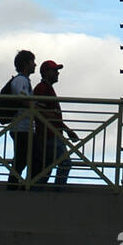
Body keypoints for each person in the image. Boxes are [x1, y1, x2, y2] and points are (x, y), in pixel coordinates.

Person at [32, 60, 78, 189]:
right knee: (64, 163)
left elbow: (46, 113)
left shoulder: (46, 88)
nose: (57, 73)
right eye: (54, 70)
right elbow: (41, 111)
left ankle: (35, 191)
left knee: (47, 167)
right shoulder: (42, 88)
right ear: (46, 72)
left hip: (50, 133)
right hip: (50, 134)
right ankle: (56, 190)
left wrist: (67, 130)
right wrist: (66, 130)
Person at [6, 50, 36, 187]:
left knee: (24, 157)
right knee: (22, 157)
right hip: (21, 126)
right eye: (32, 62)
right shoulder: (21, 80)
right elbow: (23, 99)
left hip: (23, 126)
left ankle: (18, 183)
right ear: (26, 63)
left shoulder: (23, 81)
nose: (35, 65)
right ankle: (14, 184)